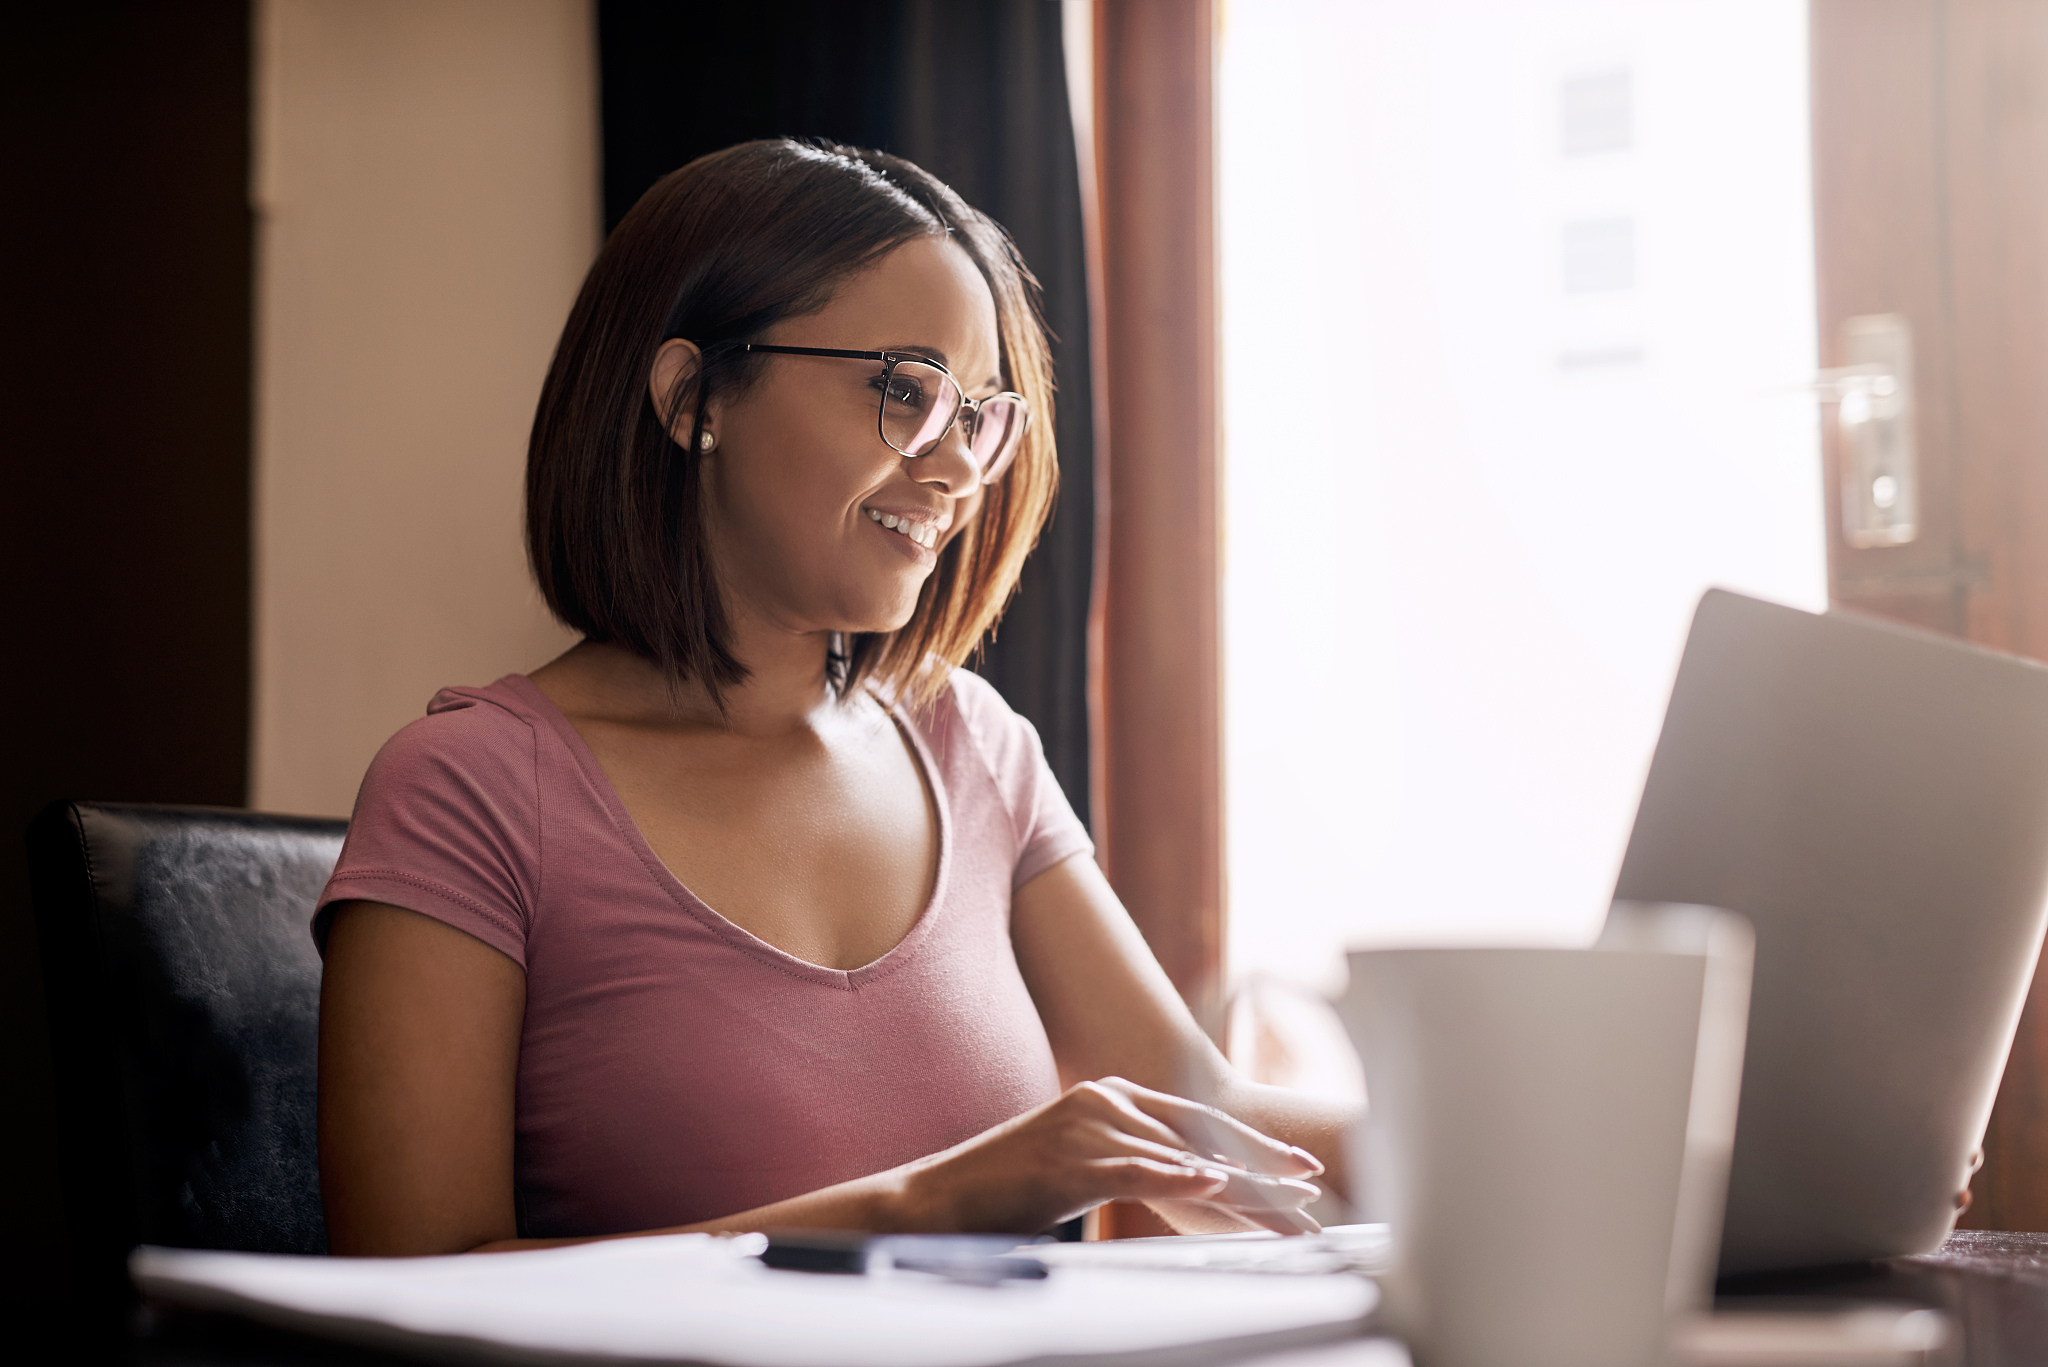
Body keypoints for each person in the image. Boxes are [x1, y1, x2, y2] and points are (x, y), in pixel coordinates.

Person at [315, 138, 1359, 1256]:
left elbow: (1200, 1116)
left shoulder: (970, 743)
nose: (957, 467)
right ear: (692, 397)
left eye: (977, 416)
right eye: (904, 390)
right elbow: (413, 1284)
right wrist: (920, 1206)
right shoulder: (466, 789)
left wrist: (1537, 1100)